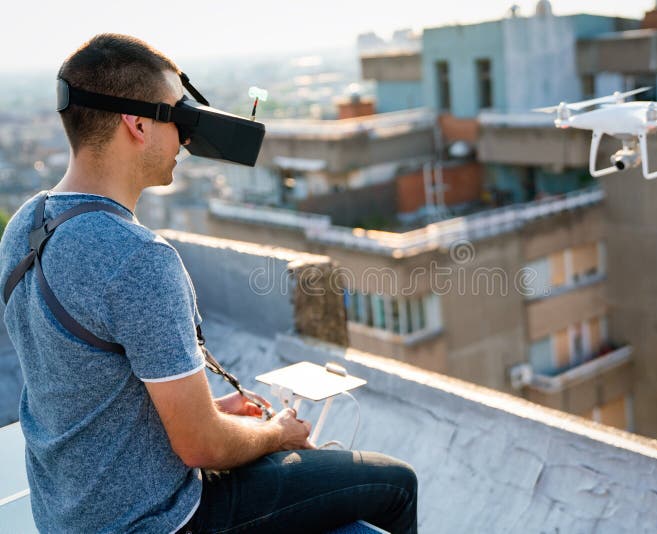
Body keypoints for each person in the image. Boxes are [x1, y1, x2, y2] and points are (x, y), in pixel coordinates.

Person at [0, 33, 417, 534]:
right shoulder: (138, 259)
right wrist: (277, 432)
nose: (186, 138)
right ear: (137, 125)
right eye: (178, 117)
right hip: (160, 521)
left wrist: (216, 409)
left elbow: (88, 392)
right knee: (395, 482)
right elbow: (202, 447)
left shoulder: (27, 224)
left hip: (69, 517)